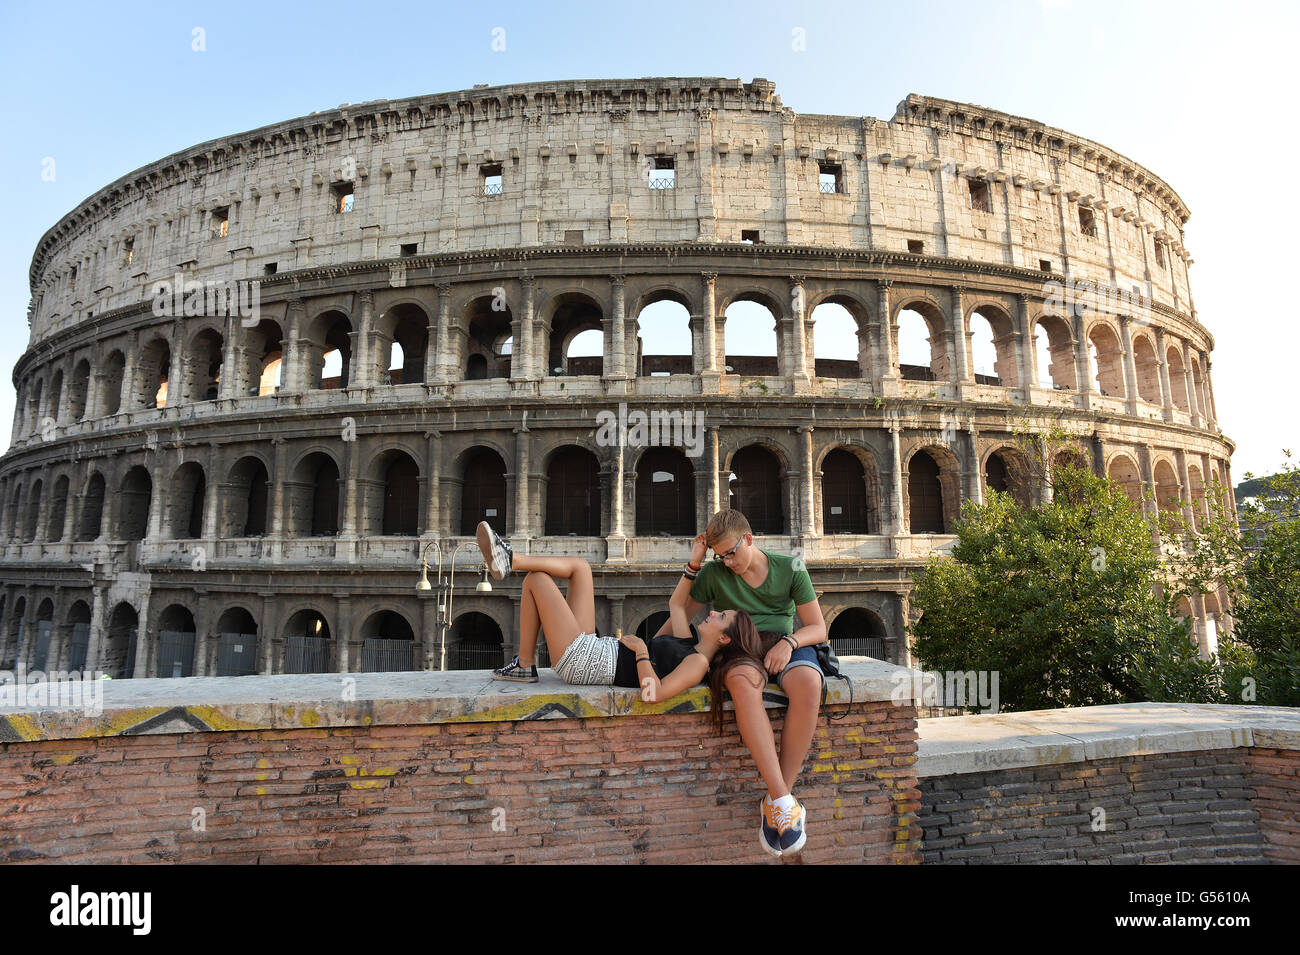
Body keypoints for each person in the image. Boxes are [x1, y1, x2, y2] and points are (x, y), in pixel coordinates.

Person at [658, 509, 828, 858]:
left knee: (809, 683)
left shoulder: (790, 567)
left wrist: (790, 643)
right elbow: (680, 617)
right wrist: (645, 649)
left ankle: (778, 800)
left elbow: (817, 627)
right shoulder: (712, 573)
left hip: (783, 643)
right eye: (719, 555)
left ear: (748, 538)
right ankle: (783, 802)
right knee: (738, 680)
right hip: (737, 649)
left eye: (731, 552)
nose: (726, 561)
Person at [476, 522, 764, 705]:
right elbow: (677, 604)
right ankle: (510, 560)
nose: (712, 614)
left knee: (537, 580)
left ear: (725, 639)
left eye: (721, 617)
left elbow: (653, 695)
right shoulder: (686, 641)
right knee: (581, 568)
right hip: (598, 650)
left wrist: (641, 651)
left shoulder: (698, 664)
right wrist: (694, 563)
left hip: (586, 663)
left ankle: (524, 663)